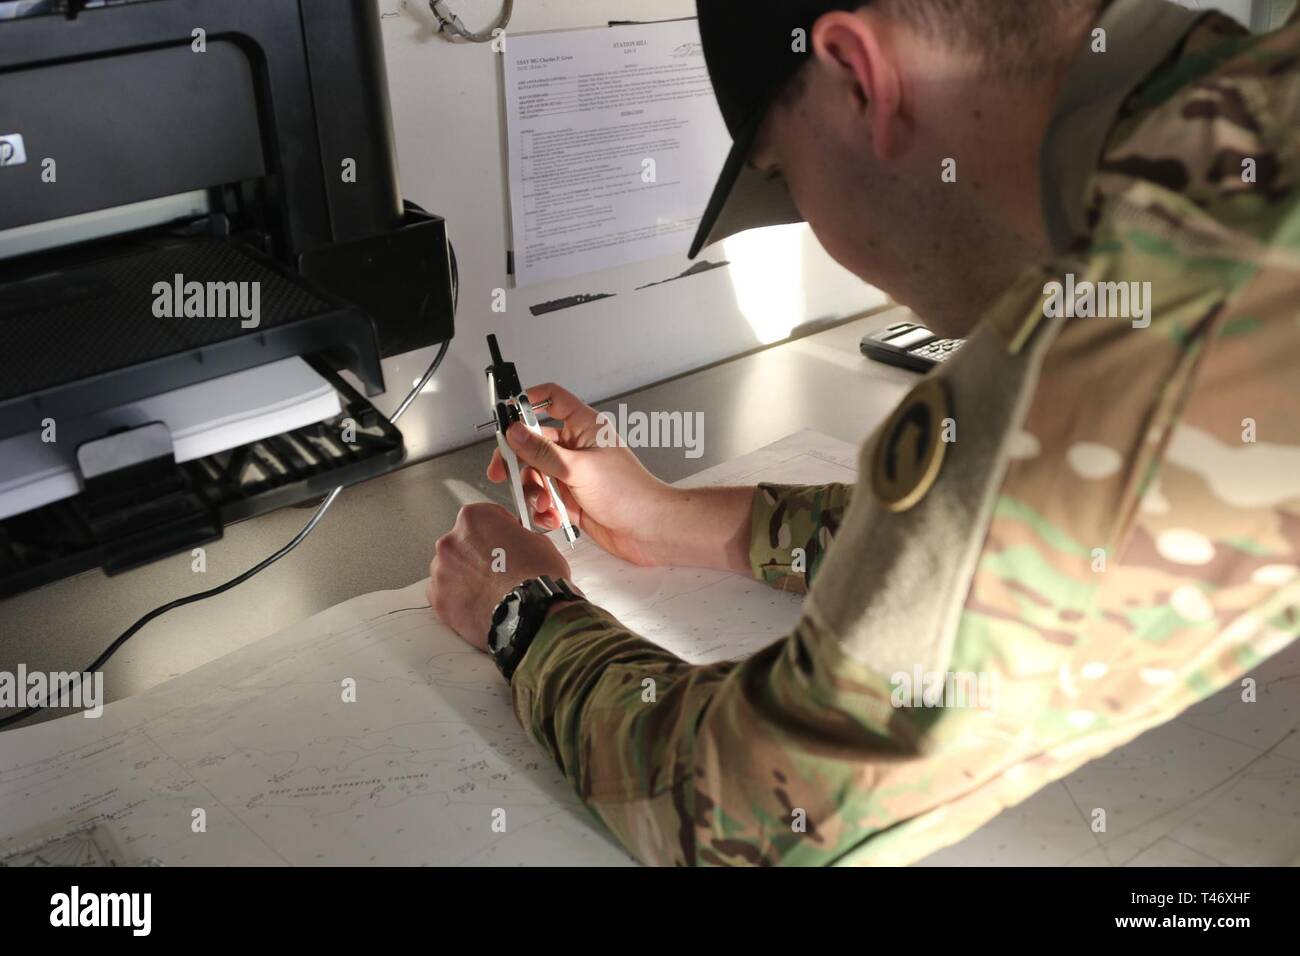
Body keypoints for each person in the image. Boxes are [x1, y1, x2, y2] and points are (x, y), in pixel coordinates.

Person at [428, 0, 1300, 865]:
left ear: (862, 79)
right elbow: (975, 530)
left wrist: (525, 612)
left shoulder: (1156, 313)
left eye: (785, 177)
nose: (819, 227)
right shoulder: (1241, 140)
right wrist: (667, 519)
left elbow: (758, 810)